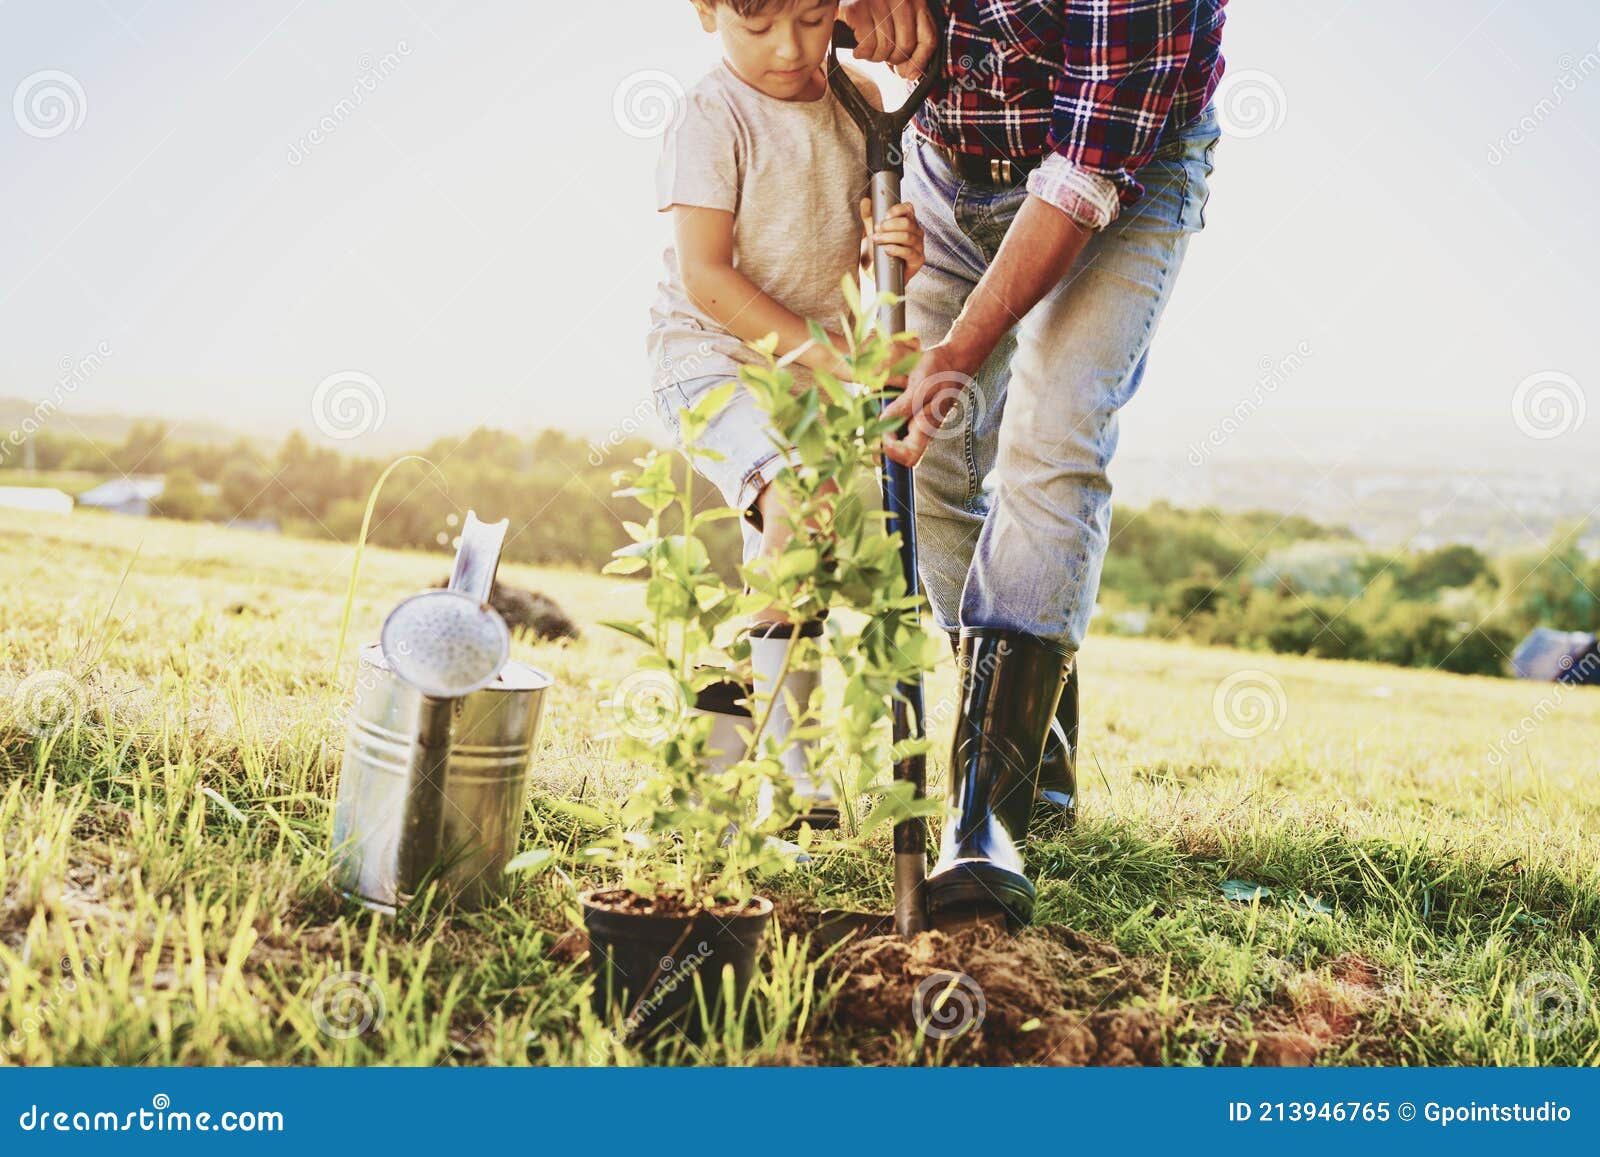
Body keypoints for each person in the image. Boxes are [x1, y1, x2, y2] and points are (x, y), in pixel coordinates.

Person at [839, 0, 1227, 927]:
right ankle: (1030, 748)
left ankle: (984, 815)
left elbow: (1086, 169)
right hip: (942, 161)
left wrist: (959, 353)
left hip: (1121, 174)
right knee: (923, 465)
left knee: (1052, 434)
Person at [647, 0, 926, 828]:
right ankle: (753, 774)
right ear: (706, 14)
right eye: (757, 27)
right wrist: (836, 362)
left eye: (811, 20)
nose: (788, 49)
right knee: (801, 511)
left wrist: (887, 249)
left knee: (797, 557)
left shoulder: (862, 103)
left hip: (809, 374)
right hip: (712, 359)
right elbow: (707, 277)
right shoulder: (711, 115)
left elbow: (861, 250)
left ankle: (755, 784)